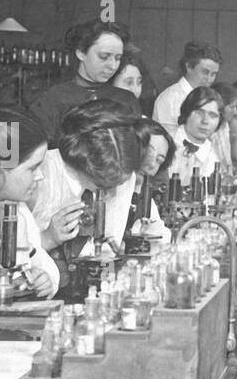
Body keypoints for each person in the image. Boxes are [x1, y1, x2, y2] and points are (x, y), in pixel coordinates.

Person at [29, 99, 148, 273]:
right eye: (101, 185)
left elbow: (108, 248)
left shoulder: (123, 174)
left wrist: (108, 284)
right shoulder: (38, 173)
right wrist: (48, 238)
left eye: (118, 184)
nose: (112, 193)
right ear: (78, 162)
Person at [0, 105, 61, 298]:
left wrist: (45, 280)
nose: (40, 176)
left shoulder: (17, 210)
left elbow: (40, 260)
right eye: (33, 168)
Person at [30, 20, 140, 139]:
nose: (112, 66)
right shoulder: (52, 99)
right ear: (81, 53)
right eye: (104, 57)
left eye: (118, 58)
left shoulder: (127, 99)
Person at [153, 42, 221, 138]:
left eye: (213, 74)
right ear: (189, 67)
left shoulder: (211, 100)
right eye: (205, 72)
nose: (209, 79)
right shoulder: (169, 99)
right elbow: (167, 140)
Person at [168, 85, 224, 185]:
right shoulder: (166, 143)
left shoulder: (212, 156)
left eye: (213, 116)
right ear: (187, 112)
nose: (205, 121)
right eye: (199, 113)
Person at [210, 81, 237, 169]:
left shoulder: (225, 126)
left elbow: (235, 159)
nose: (235, 112)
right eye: (232, 107)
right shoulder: (208, 131)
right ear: (219, 107)